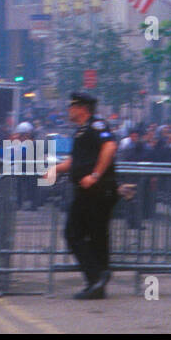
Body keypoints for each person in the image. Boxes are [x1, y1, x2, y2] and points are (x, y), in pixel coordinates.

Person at [49, 92, 119, 300]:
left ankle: (97, 275)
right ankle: (98, 282)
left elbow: (110, 147)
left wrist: (95, 175)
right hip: (88, 190)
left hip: (96, 189)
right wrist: (54, 170)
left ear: (82, 108)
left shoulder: (96, 125)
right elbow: (73, 161)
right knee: (96, 236)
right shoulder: (80, 131)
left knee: (74, 233)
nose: (69, 110)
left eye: (72, 106)